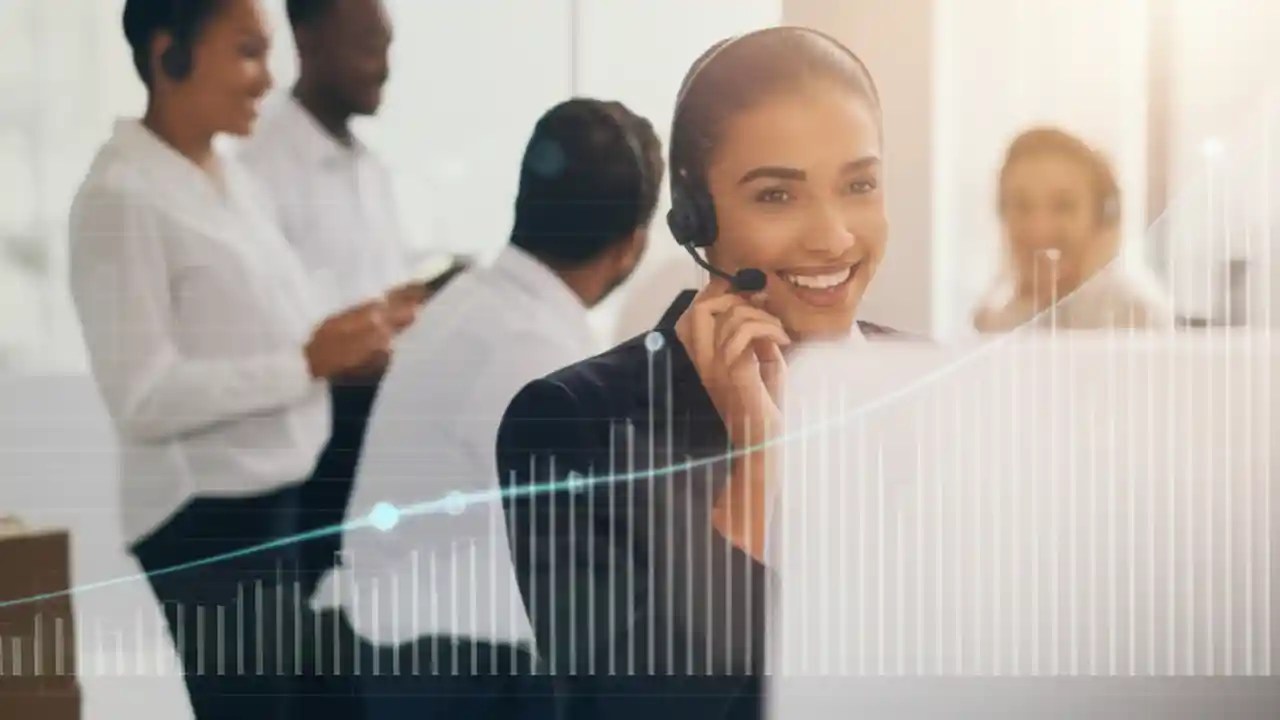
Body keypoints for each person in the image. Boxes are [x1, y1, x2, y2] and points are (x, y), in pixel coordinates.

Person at [496, 27, 900, 720]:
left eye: (858, 185)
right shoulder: (576, 421)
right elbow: (626, 710)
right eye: (777, 195)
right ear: (695, 217)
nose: (833, 236)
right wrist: (757, 465)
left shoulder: (935, 385)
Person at [68, 1, 409, 717]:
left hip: (276, 502)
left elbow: (271, 327)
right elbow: (142, 397)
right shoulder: (121, 197)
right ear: (169, 54)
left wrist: (364, 323)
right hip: (208, 521)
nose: (267, 79)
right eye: (248, 52)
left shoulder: (228, 177)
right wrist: (307, 362)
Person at [320, 98, 661, 719]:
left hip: (401, 648)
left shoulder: (469, 300)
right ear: (632, 247)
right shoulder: (534, 352)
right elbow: (601, 541)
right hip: (451, 671)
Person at [240, 0, 422, 601]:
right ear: (308, 40)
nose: (384, 66)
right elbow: (274, 335)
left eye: (388, 46)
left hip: (379, 432)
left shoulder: (372, 169)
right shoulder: (259, 169)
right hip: (311, 444)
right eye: (368, 47)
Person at [972, 127, 1173, 332]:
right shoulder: (994, 317)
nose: (1039, 228)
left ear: (1102, 218)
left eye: (1063, 206)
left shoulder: (1136, 317)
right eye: (1021, 206)